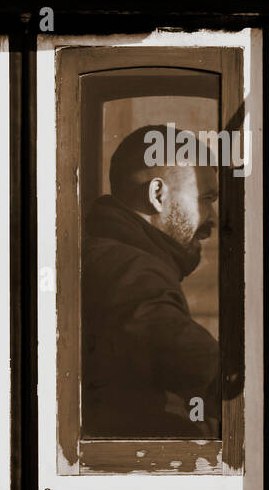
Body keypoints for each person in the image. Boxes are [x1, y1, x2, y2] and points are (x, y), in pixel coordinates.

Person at [81, 124, 220, 439]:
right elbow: (195, 364)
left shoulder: (113, 253)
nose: (212, 217)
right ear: (158, 195)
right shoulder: (129, 268)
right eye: (205, 198)